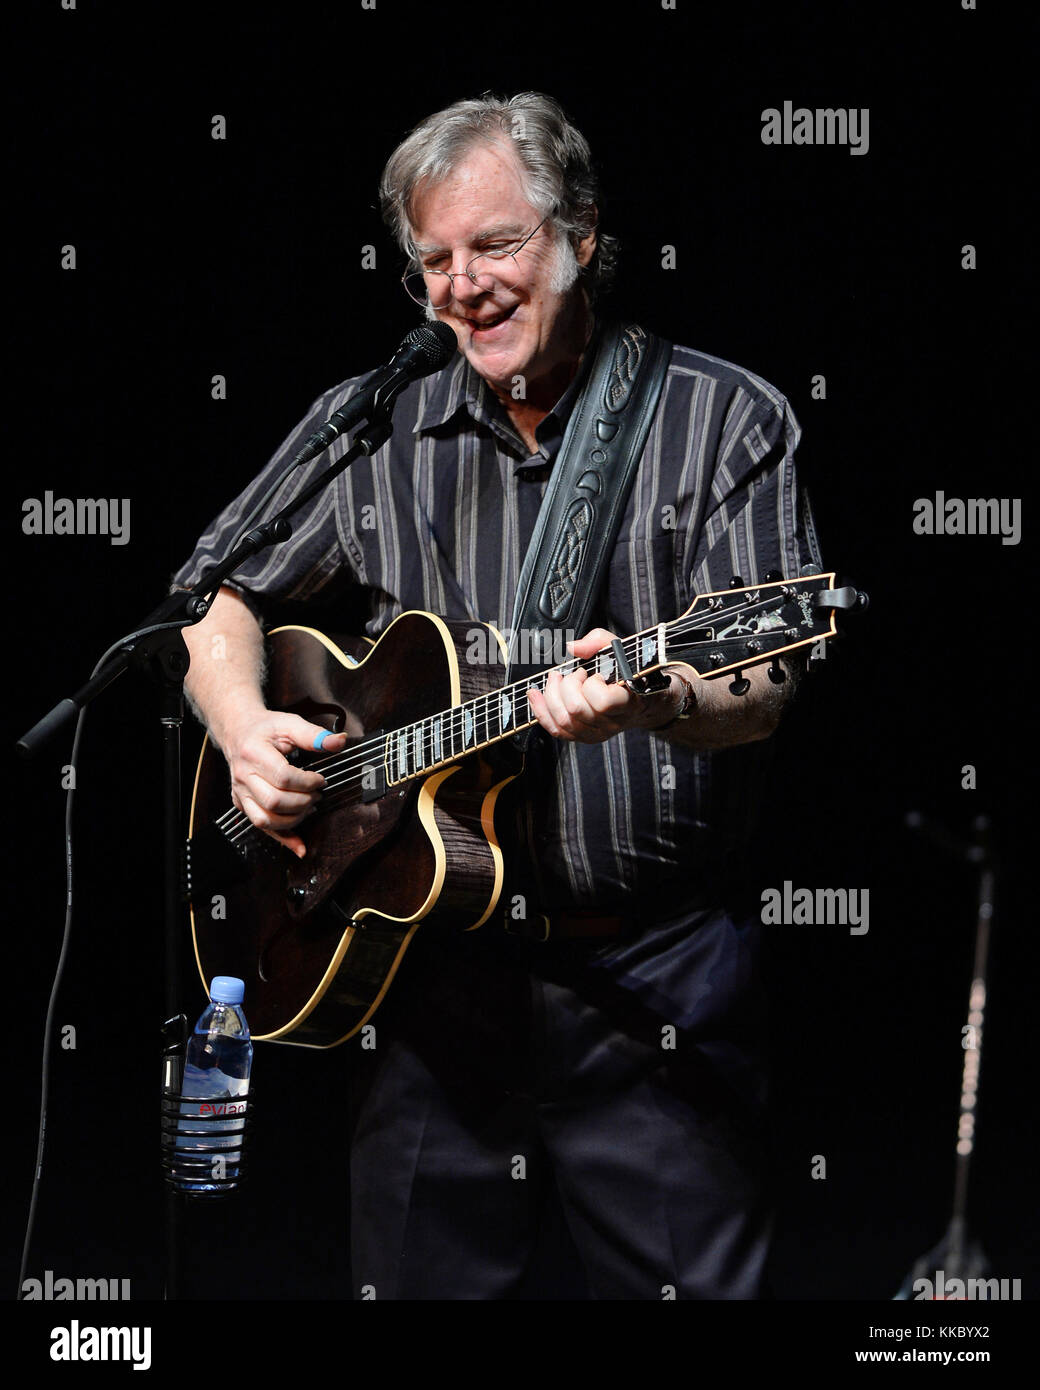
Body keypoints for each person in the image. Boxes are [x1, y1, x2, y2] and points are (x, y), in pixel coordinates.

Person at [173, 91, 824, 1299]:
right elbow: (211, 596)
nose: (460, 286)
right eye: (432, 261)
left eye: (494, 245)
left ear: (579, 232)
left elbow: (765, 678)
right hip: (427, 1000)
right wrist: (241, 724)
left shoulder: (726, 420)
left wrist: (652, 696)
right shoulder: (368, 427)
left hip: (651, 988)